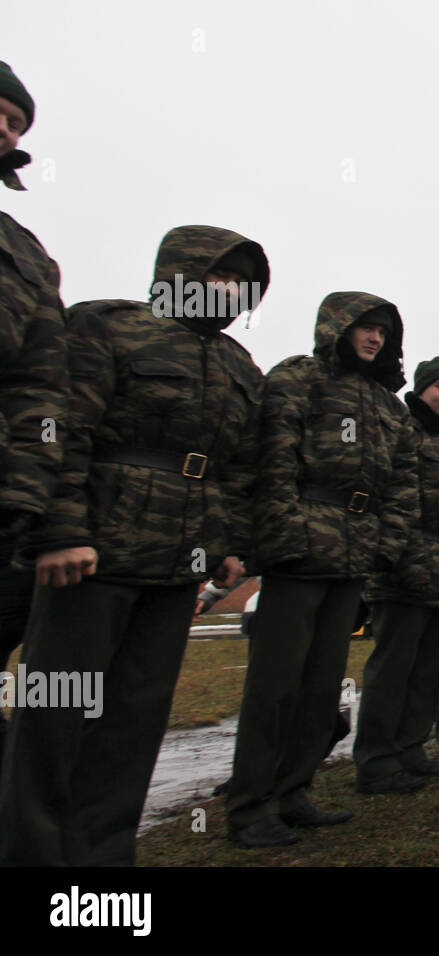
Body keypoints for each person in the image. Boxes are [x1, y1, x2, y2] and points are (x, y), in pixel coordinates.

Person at [0, 225, 267, 865]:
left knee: (135, 721)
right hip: (93, 557)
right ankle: (31, 855)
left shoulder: (237, 365)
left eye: (242, 282)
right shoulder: (107, 326)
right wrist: (60, 529)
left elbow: (237, 467)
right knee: (55, 717)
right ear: (181, 270)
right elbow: (63, 428)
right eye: (220, 274)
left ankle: (103, 862)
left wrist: (228, 543)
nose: (231, 290)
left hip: (177, 564)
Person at [227, 292, 417, 849]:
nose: (375, 338)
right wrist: (282, 534)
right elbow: (274, 459)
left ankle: (293, 792)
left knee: (320, 685)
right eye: (365, 327)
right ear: (337, 327)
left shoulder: (389, 406)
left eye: (383, 330)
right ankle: (249, 806)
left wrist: (387, 542)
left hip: (355, 553)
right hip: (301, 549)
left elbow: (403, 484)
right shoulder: (299, 378)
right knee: (275, 684)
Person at [352, 357, 439, 795]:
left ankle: (411, 750)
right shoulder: (403, 427)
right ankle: (376, 761)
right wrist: (397, 556)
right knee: (392, 671)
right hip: (403, 568)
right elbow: (391, 496)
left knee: (430, 669)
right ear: (422, 389)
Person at [0, 61, 68, 762]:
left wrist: (31, 501)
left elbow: (42, 385)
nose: (4, 126)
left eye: (15, 121)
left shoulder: (23, 254)